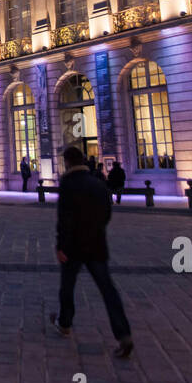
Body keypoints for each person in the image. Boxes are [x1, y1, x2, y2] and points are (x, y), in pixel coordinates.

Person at [50, 145, 133, 359]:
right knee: (108, 291)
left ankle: (65, 323)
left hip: (73, 248)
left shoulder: (68, 184)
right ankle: (123, 334)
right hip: (97, 246)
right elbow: (106, 214)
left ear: (68, 162)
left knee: (67, 288)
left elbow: (64, 219)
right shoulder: (98, 183)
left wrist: (61, 246)